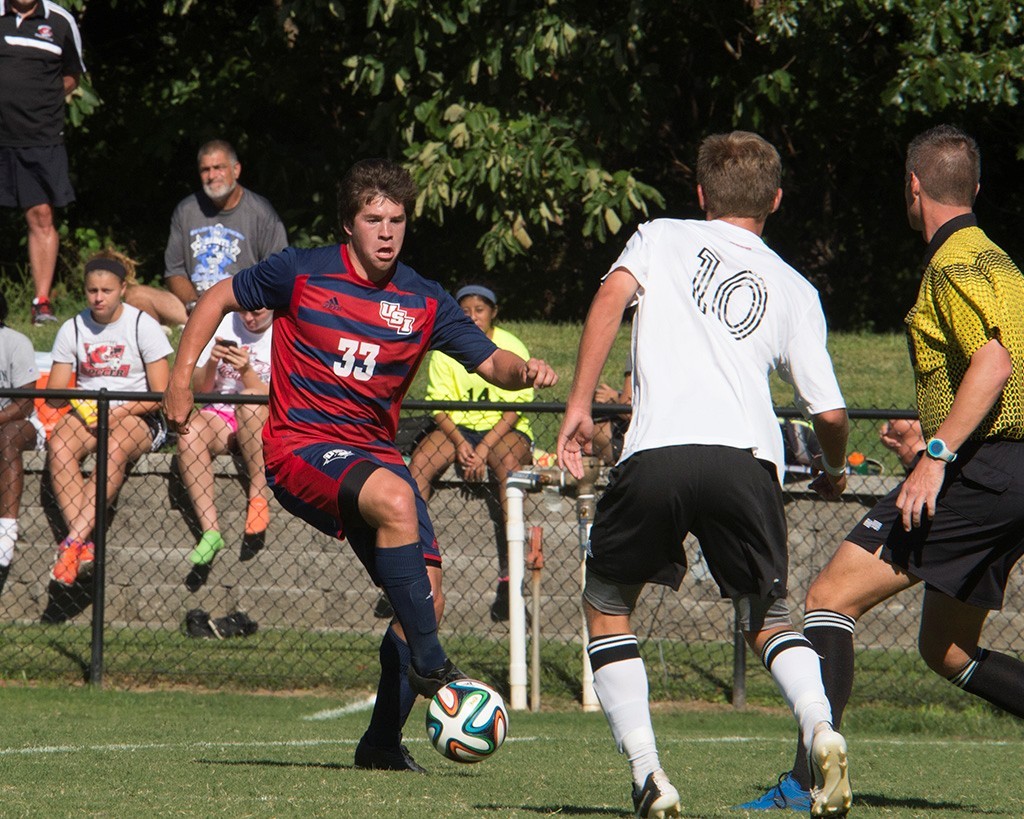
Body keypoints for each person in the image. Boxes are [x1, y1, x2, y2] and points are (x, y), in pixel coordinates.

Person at [163, 158, 557, 772]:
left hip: (373, 454)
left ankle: (378, 745)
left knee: (425, 597)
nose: (386, 231)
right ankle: (433, 666)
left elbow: (491, 364)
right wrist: (181, 382)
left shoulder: (424, 300)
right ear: (349, 224)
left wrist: (524, 371)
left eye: (396, 219)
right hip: (298, 446)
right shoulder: (300, 271)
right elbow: (217, 296)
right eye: (373, 218)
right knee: (399, 505)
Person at [557, 131, 853, 819]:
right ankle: (819, 725)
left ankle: (650, 774)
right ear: (776, 200)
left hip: (658, 452)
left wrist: (579, 405)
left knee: (606, 599)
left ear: (699, 194)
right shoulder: (794, 286)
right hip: (747, 460)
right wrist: (835, 468)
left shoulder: (659, 236)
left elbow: (609, 299)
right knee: (769, 616)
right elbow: (831, 412)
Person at [740, 124, 1024, 812]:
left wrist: (936, 454)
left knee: (830, 598)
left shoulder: (952, 265)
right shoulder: (1002, 263)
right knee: (949, 649)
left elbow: (995, 363)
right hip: (1009, 471)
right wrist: (932, 429)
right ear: (976, 189)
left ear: (914, 187)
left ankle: (811, 779)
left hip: (979, 469)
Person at [407, 283, 535, 622]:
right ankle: (408, 564)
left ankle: (512, 574)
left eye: (480, 310)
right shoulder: (446, 347)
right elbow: (438, 407)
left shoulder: (510, 345)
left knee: (508, 466)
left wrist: (482, 448)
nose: (472, 316)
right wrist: (463, 444)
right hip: (457, 427)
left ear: (493, 312)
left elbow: (515, 409)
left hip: (501, 428)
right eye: (465, 310)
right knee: (418, 466)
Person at [45, 249, 173, 587]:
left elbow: (161, 392)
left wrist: (120, 410)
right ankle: (83, 546)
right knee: (59, 445)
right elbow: (55, 392)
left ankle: (71, 543)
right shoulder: (73, 327)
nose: (98, 298)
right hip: (92, 410)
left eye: (106, 291)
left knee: (114, 447)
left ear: (122, 289)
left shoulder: (142, 325)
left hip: (137, 412)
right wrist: (78, 398)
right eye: (92, 291)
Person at [126, 139, 288, 328]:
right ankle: (157, 341)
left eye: (219, 167)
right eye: (205, 170)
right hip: (194, 306)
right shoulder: (186, 210)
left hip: (242, 309)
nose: (212, 175)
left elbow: (277, 271)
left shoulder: (261, 212)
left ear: (236, 170)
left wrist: (246, 305)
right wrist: (195, 304)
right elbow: (175, 272)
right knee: (135, 295)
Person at [0, 0, 86, 325]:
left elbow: (73, 76)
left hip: (40, 137)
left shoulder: (61, 21)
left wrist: (43, 98)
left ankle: (42, 303)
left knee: (41, 215)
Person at [177, 306, 273, 592]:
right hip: (220, 414)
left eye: (256, 313)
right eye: (244, 312)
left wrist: (245, 370)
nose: (249, 319)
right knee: (190, 432)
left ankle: (258, 495)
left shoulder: (283, 330)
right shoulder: (224, 325)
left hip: (262, 416)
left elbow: (280, 396)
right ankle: (210, 531)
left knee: (249, 399)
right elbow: (202, 390)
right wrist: (212, 363)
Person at [0, 290, 43, 595]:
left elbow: (25, 403)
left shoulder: (15, 343)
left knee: (7, 437)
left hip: (18, 425)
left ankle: (5, 529)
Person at [591, 351, 632, 466]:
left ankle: (608, 468)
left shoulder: (641, 347)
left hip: (639, 437)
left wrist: (615, 398)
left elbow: (628, 410)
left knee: (599, 412)